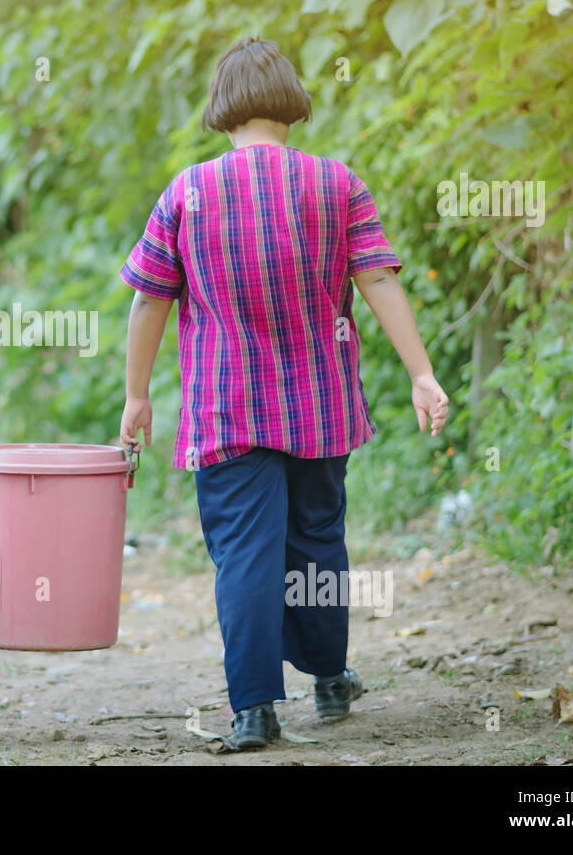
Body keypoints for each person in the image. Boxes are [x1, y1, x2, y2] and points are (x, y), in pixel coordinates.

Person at [118, 39, 449, 751]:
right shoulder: (337, 183)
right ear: (293, 104)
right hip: (320, 407)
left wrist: (137, 396)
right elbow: (380, 278)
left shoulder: (188, 191)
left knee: (245, 553)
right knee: (318, 541)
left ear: (222, 111)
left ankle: (254, 710)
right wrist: (421, 372)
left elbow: (148, 302)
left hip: (225, 408)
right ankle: (330, 680)